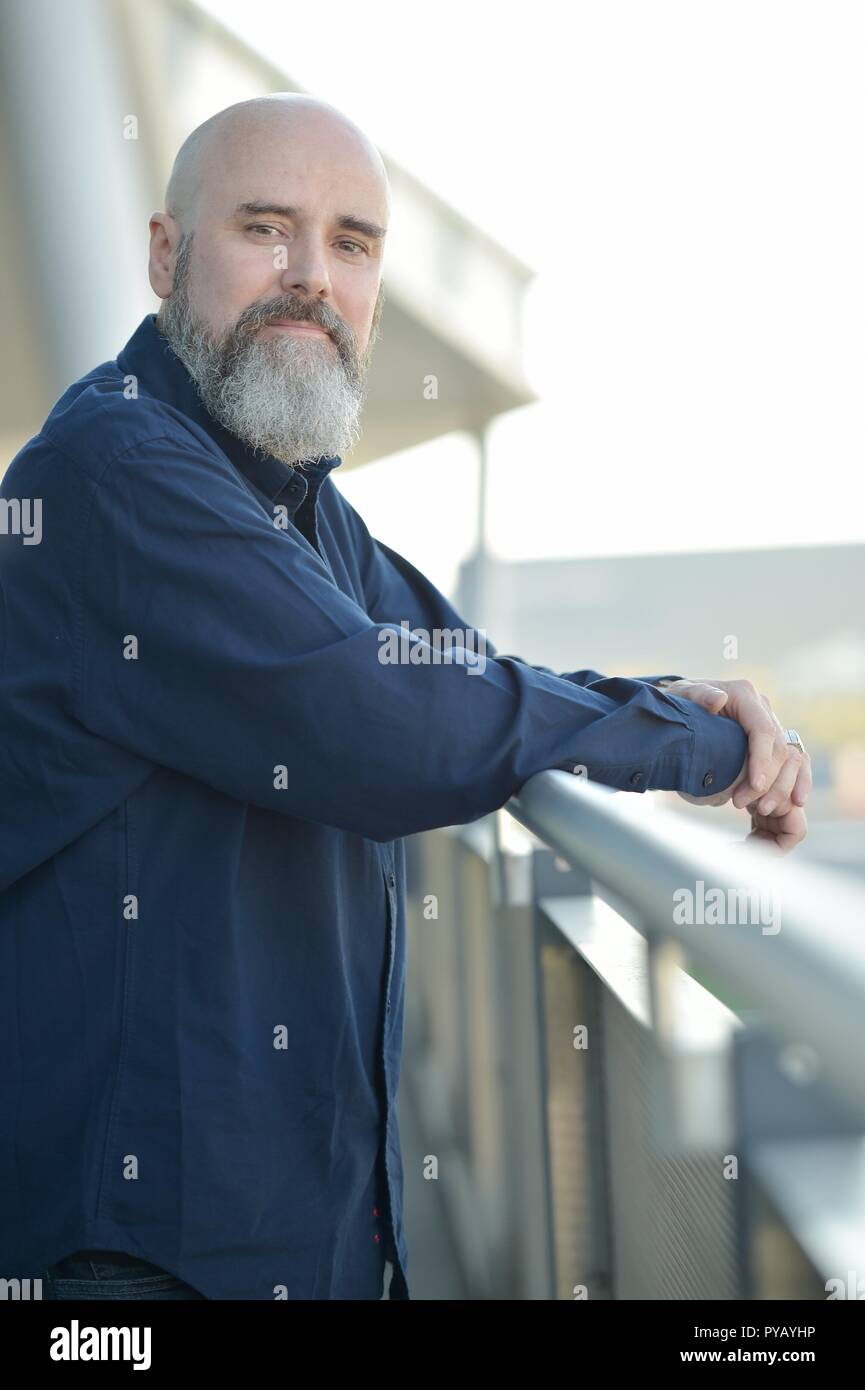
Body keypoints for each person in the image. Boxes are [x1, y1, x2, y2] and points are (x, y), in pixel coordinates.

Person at [0, 94, 810, 1302]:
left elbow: (459, 670)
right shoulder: (115, 473)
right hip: (135, 1264)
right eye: (265, 229)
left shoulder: (297, 506)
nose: (310, 277)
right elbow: (385, 719)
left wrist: (666, 700)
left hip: (297, 1236)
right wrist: (689, 745)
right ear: (166, 255)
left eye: (352, 243)